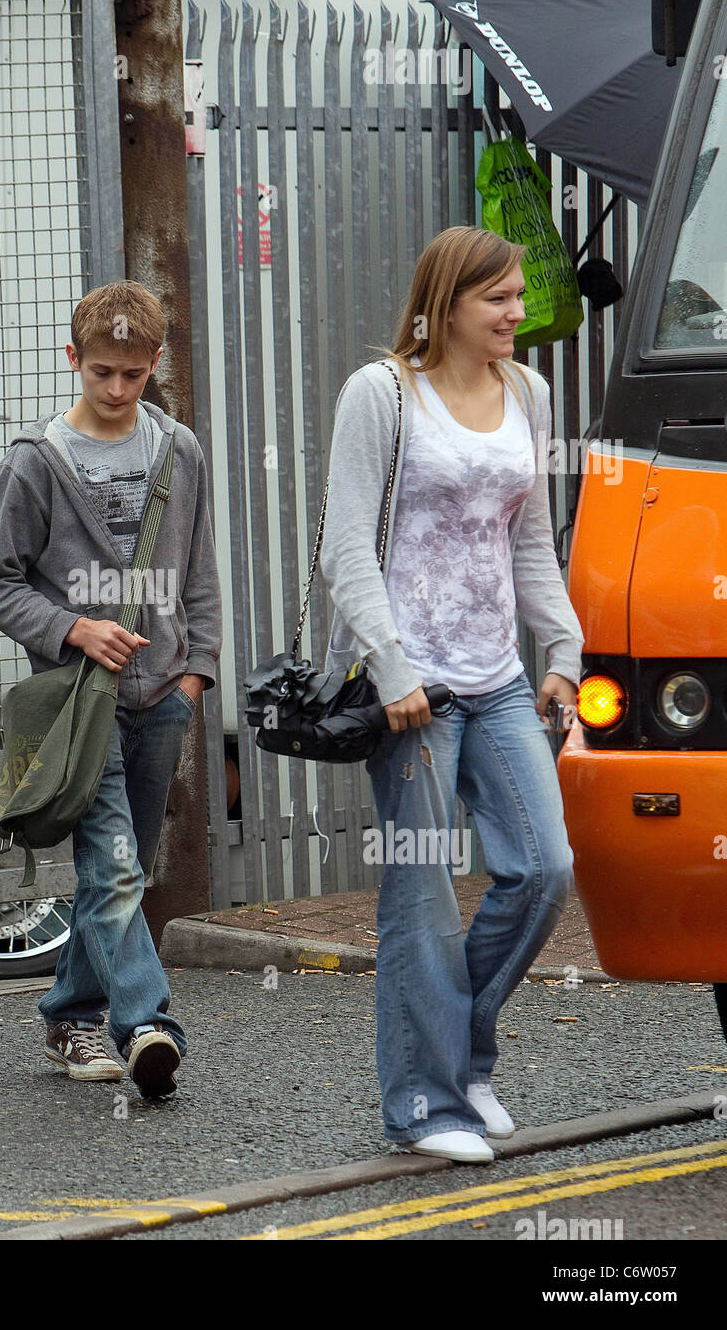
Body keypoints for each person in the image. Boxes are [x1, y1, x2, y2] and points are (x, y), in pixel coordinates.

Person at [318, 226, 581, 1162]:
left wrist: (561, 648)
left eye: (517, 295)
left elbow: (528, 539)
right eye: (497, 299)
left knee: (544, 869)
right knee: (422, 898)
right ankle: (424, 1109)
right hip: (412, 690)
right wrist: (390, 668)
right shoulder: (382, 393)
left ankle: (458, 1049)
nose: (517, 312)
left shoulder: (528, 394)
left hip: (498, 679)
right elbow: (343, 545)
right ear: (446, 305)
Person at [0, 280, 222, 1098]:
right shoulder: (34, 461)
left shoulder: (178, 449)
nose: (116, 390)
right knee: (114, 868)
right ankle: (147, 1024)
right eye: (100, 373)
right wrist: (73, 629)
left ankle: (68, 1014)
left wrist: (195, 671)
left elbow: (198, 570)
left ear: (155, 364)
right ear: (73, 359)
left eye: (133, 374)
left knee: (120, 870)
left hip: (163, 697)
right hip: (80, 704)